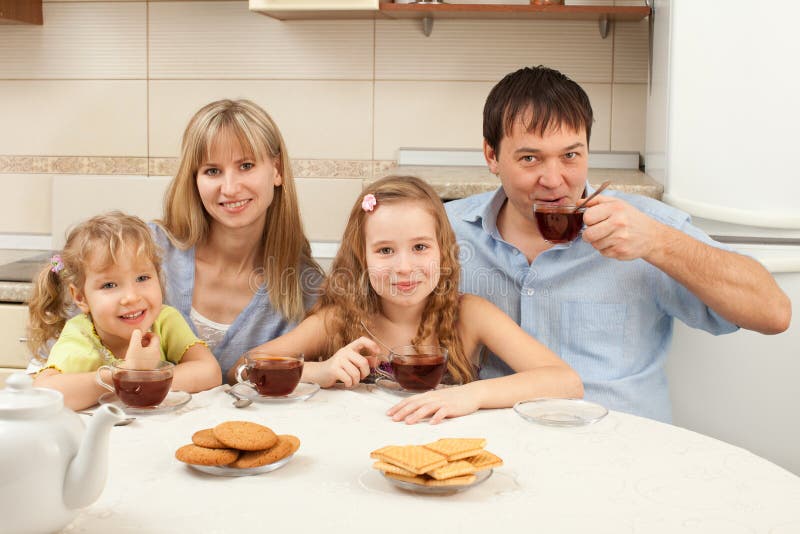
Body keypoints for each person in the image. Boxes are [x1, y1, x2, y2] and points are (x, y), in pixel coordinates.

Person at [445, 65, 792, 423]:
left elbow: (774, 313)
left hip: (622, 453)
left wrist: (659, 243)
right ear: (491, 156)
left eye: (570, 156)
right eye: (529, 158)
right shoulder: (445, 233)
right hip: (497, 450)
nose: (553, 180)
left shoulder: (643, 227)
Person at [231, 175, 583, 424]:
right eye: (385, 250)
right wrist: (320, 371)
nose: (404, 268)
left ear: (443, 251)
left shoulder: (469, 315)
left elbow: (565, 381)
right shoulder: (341, 319)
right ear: (361, 256)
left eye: (419, 247)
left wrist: (471, 395)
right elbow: (242, 370)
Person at [152, 99, 323, 378]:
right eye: (212, 171)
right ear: (194, 180)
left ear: (276, 170)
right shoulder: (149, 251)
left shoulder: (304, 288)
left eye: (245, 165)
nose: (230, 188)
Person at [29, 212, 222, 410]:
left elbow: (209, 372)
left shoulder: (165, 320)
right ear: (80, 297)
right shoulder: (81, 334)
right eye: (110, 285)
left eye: (142, 278)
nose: (131, 297)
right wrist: (123, 375)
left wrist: (143, 378)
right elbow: (44, 393)